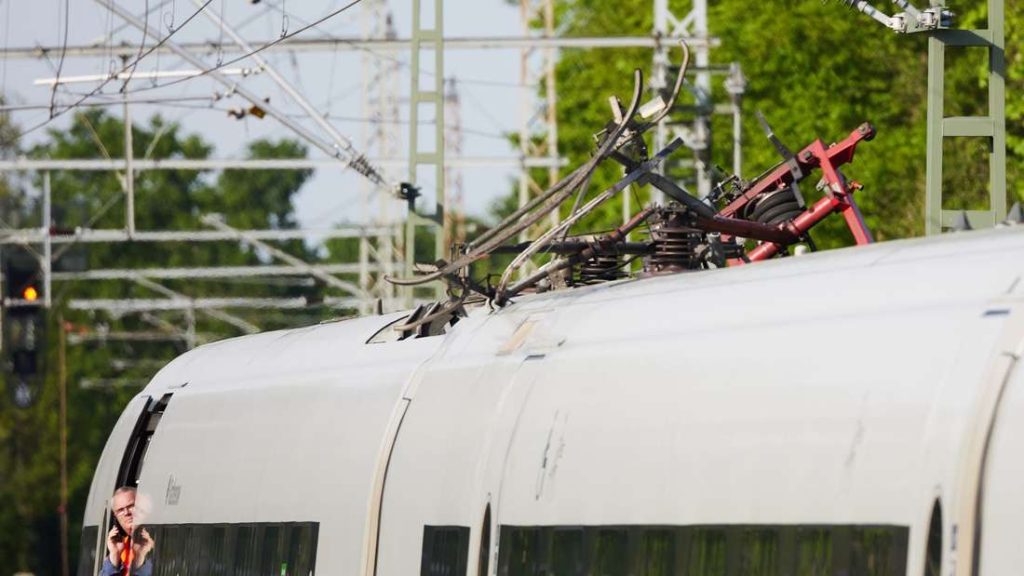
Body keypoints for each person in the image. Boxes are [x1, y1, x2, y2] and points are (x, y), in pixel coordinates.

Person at [100, 486, 155, 576]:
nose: (126, 513)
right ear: (116, 516)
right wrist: (115, 556)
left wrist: (140, 558)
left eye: (131, 506)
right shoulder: (121, 547)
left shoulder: (161, 541)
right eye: (120, 510)